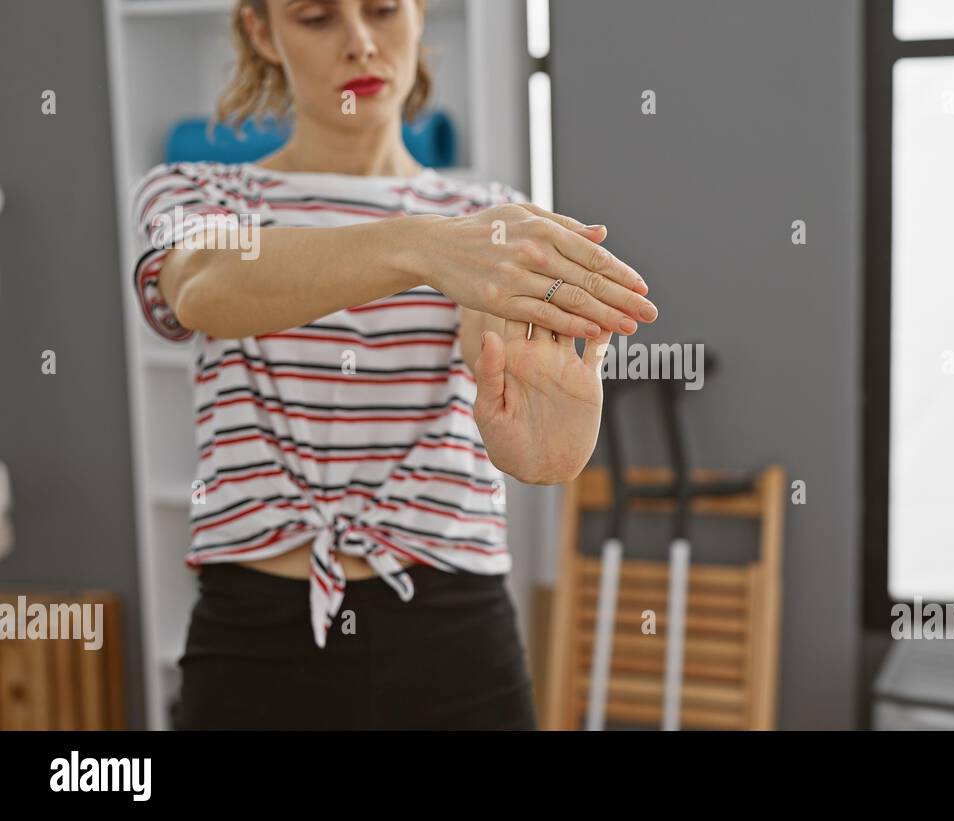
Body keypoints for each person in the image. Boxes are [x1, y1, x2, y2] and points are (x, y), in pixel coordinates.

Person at [128, 0, 658, 729]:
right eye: (316, 17)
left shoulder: (485, 213)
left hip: (455, 630)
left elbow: (486, 339)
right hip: (254, 635)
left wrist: (536, 432)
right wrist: (420, 247)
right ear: (261, 30)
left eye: (382, 9)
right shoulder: (197, 192)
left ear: (418, 14)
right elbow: (203, 287)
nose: (359, 43)